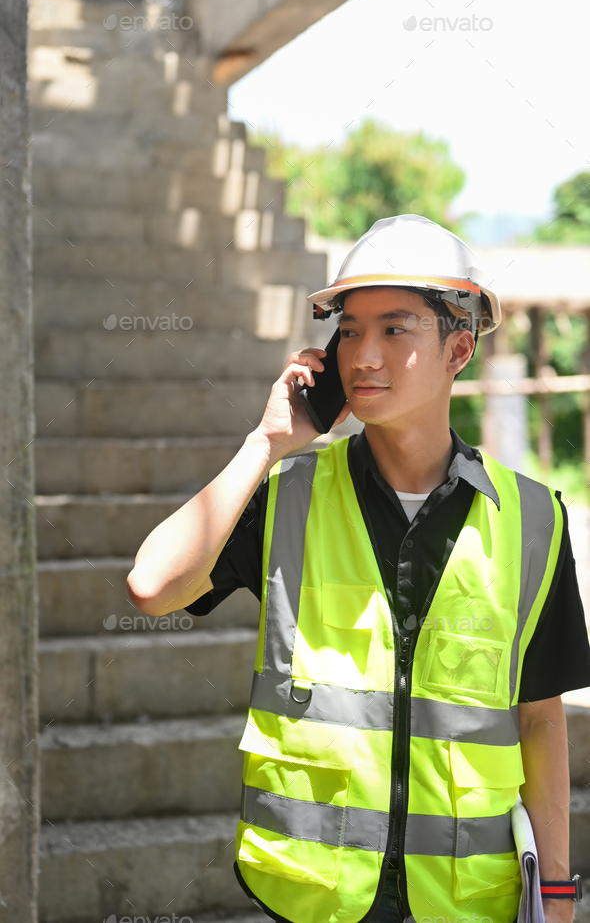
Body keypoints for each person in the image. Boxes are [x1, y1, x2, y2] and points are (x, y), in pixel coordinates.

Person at [128, 215, 590, 923]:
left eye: (395, 330)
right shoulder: (289, 496)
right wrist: (266, 442)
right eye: (348, 330)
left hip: (471, 904)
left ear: (458, 348)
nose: (363, 355)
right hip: (315, 899)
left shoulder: (533, 521)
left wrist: (556, 895)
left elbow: (540, 721)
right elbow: (153, 587)